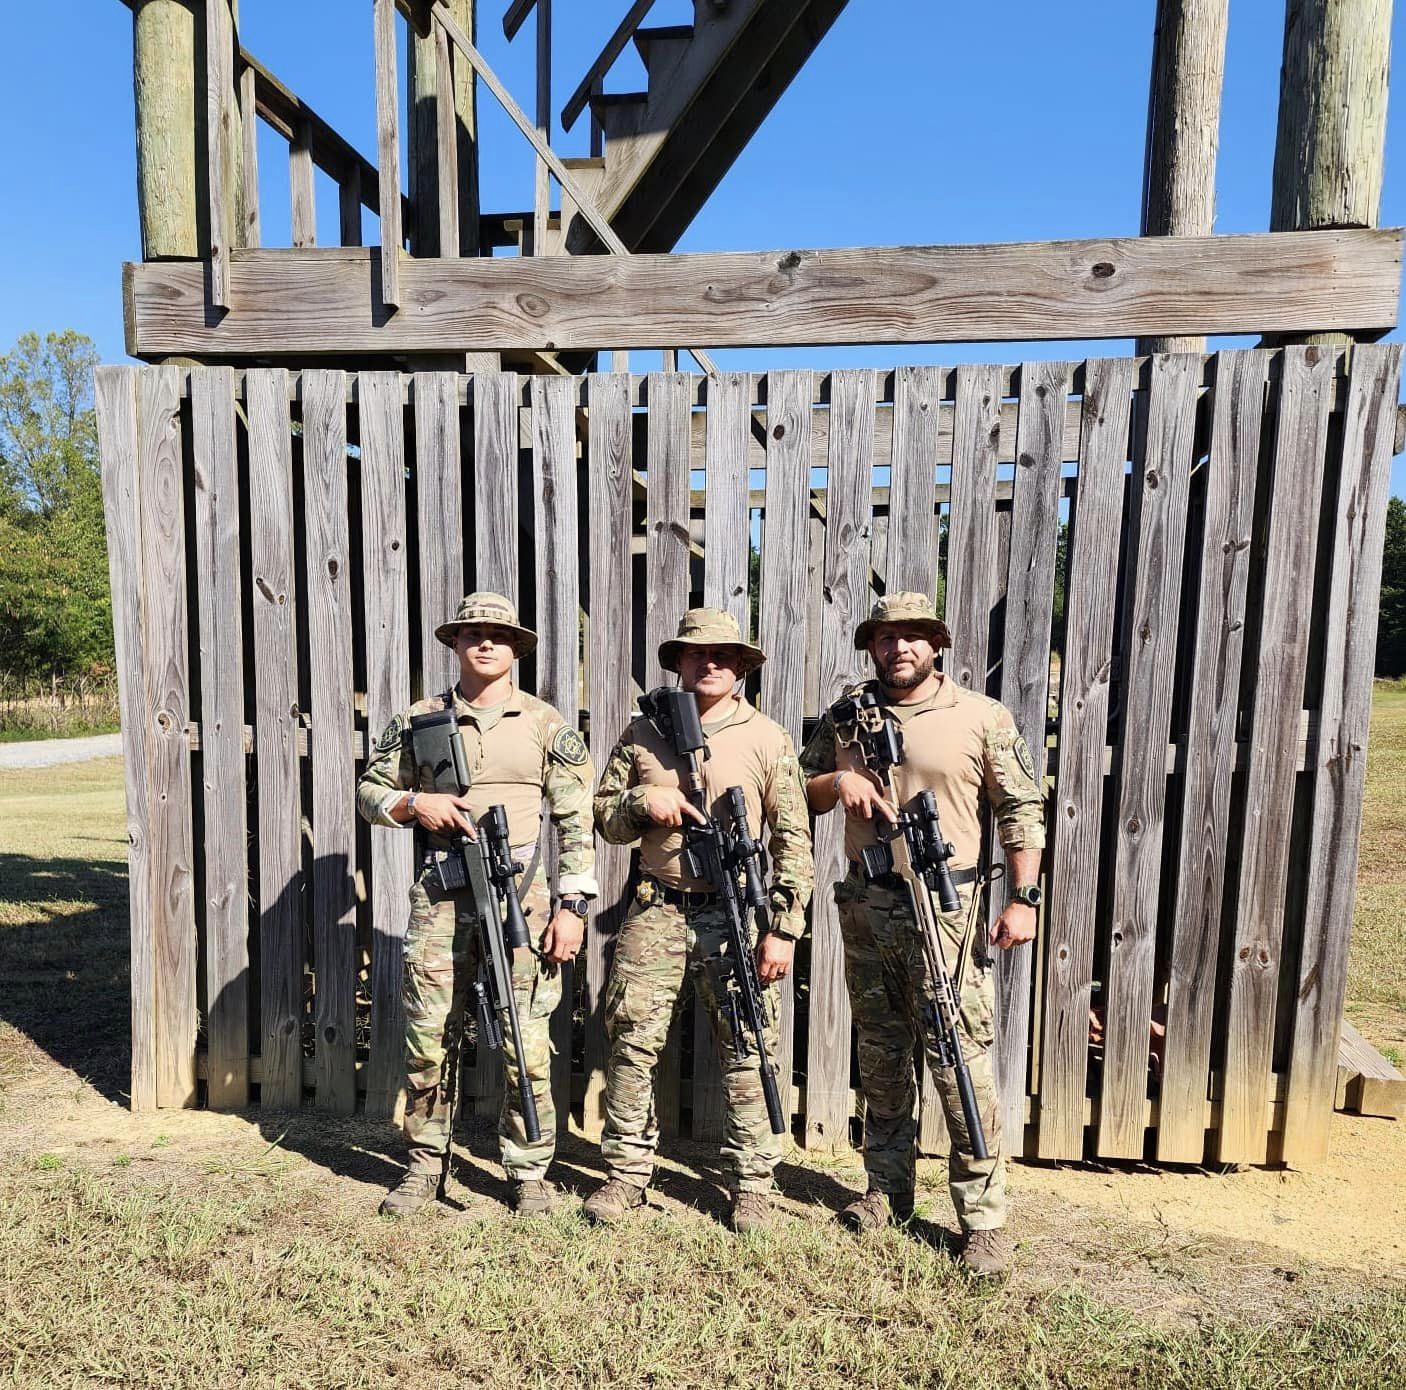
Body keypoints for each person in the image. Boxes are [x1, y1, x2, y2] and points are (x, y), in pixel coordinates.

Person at [799, 592, 1045, 1279]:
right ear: (871, 647)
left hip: (950, 908)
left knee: (961, 1059)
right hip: (866, 903)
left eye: (912, 636)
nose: (897, 648)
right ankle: (887, 1192)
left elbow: (1022, 807)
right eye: (884, 637)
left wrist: (1023, 898)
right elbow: (799, 787)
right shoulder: (847, 716)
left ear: (935, 644)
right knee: (881, 1055)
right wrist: (840, 779)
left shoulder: (981, 716)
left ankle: (983, 1220)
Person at [356, 592, 597, 1218]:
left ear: (515, 647)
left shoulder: (546, 724)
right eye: (471, 634)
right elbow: (368, 791)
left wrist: (571, 907)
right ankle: (424, 1165)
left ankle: (527, 1172)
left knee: (526, 1037)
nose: (484, 644)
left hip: (523, 898)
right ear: (455, 644)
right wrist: (415, 805)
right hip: (441, 896)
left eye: (496, 634)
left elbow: (575, 822)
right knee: (429, 1034)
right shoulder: (419, 719)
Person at [584, 608, 814, 1234]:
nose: (708, 662)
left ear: (740, 666)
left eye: (722, 654)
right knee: (631, 1043)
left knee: (748, 1046)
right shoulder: (641, 733)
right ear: (678, 663)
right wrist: (643, 802)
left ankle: (753, 1185)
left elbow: (795, 839)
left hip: (734, 912)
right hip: (656, 907)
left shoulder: (767, 737)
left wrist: (784, 927)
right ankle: (625, 1175)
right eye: (695, 653)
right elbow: (602, 816)